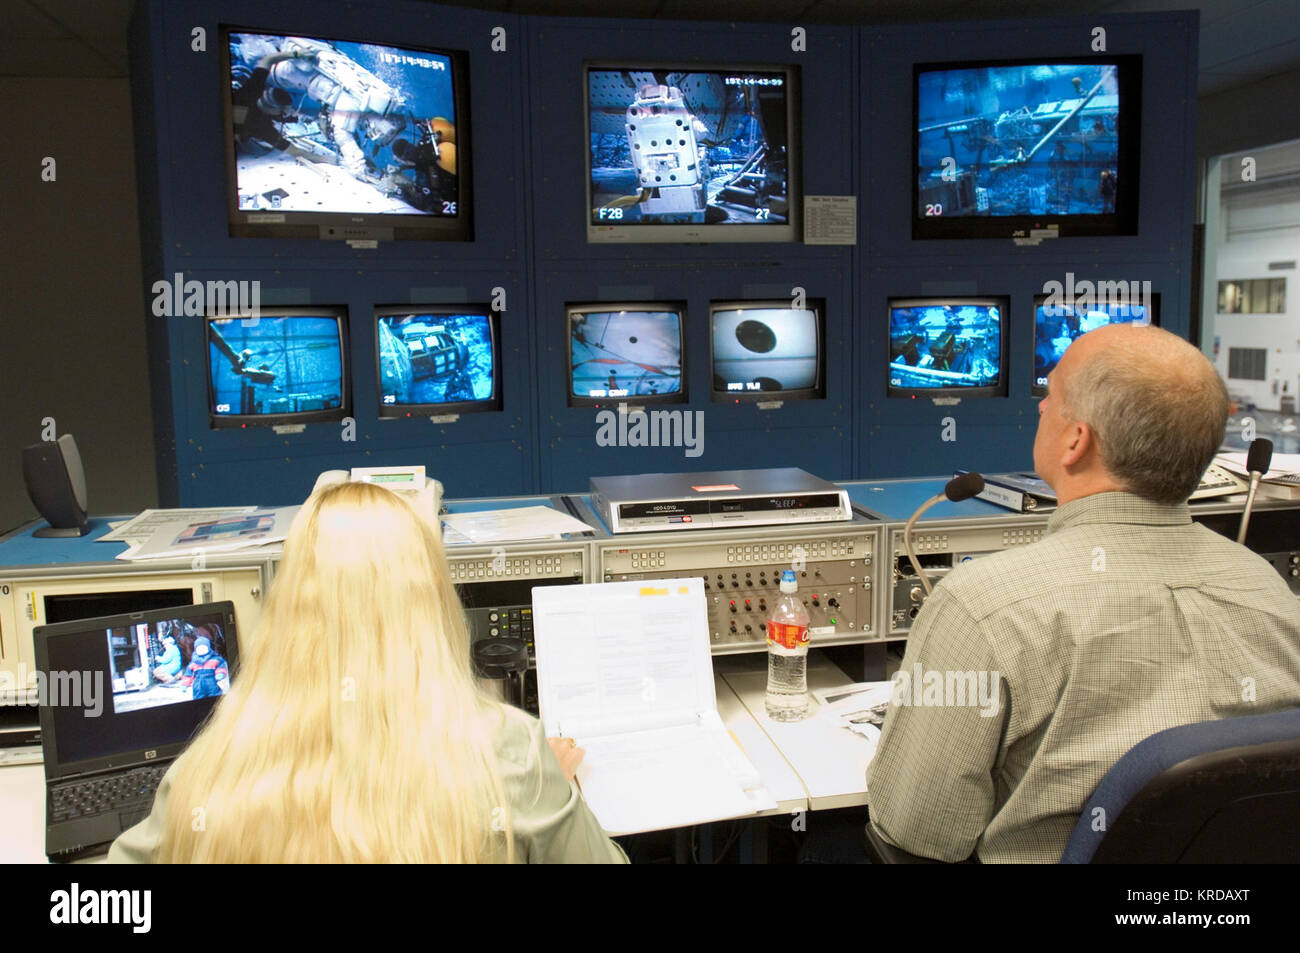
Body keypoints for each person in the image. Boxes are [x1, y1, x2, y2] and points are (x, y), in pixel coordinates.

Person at [866, 324, 1300, 863]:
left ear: (1077, 441)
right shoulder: (1270, 589)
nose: (1041, 408)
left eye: (1049, 396)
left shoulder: (982, 605)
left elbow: (920, 829)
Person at [108, 480, 627, 863]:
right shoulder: (511, 754)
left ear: (288, 603)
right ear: (430, 599)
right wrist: (553, 791)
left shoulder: (210, 769)